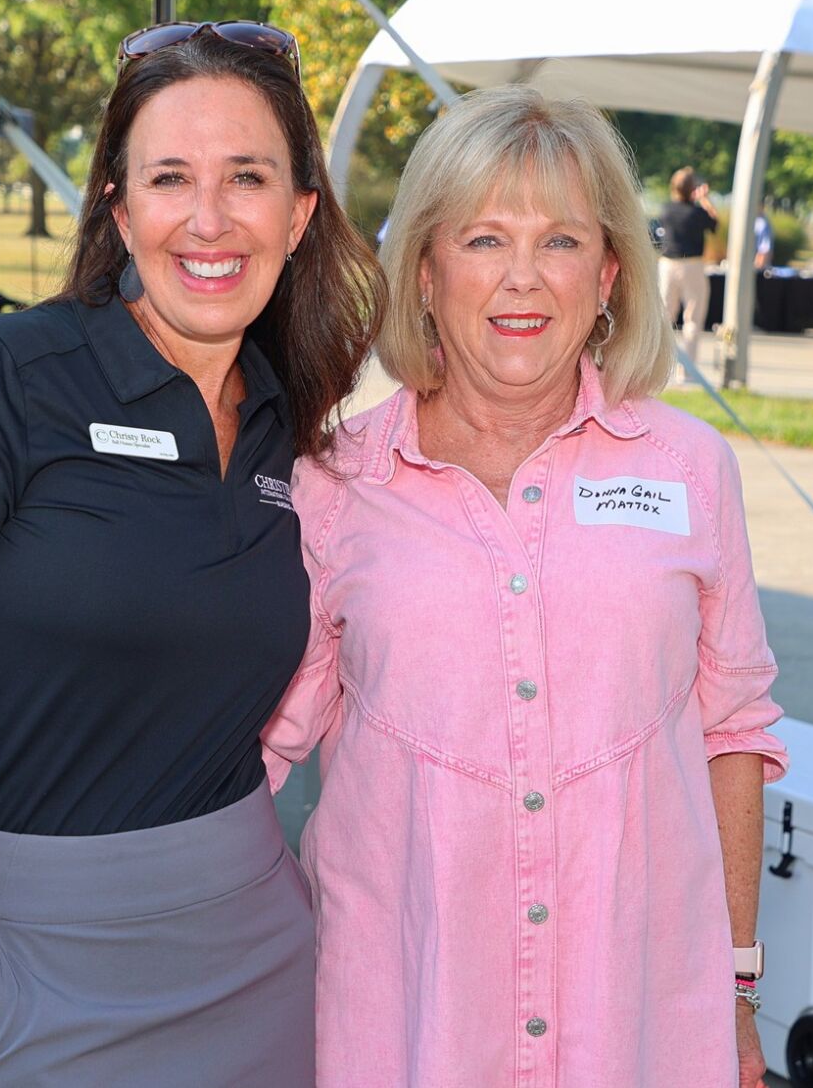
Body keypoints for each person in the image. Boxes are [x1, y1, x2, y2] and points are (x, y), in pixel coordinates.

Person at [0, 20, 379, 1086]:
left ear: (300, 212)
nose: (208, 218)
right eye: (169, 178)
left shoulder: (285, 421)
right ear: (121, 212)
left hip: (250, 955)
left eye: (248, 177)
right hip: (14, 954)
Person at [264, 85, 786, 1087]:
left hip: (637, 1023)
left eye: (557, 241)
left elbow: (733, 732)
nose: (521, 279)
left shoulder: (689, 468)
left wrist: (734, 989)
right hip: (403, 1020)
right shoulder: (332, 483)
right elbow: (259, 752)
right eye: (482, 239)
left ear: (609, 275)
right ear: (421, 271)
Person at [657, 165, 719, 365]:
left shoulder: (666, 210)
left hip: (667, 264)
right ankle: (688, 369)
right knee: (692, 319)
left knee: (665, 317)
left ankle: (657, 366)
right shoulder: (697, 213)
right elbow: (714, 223)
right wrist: (703, 198)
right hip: (692, 265)